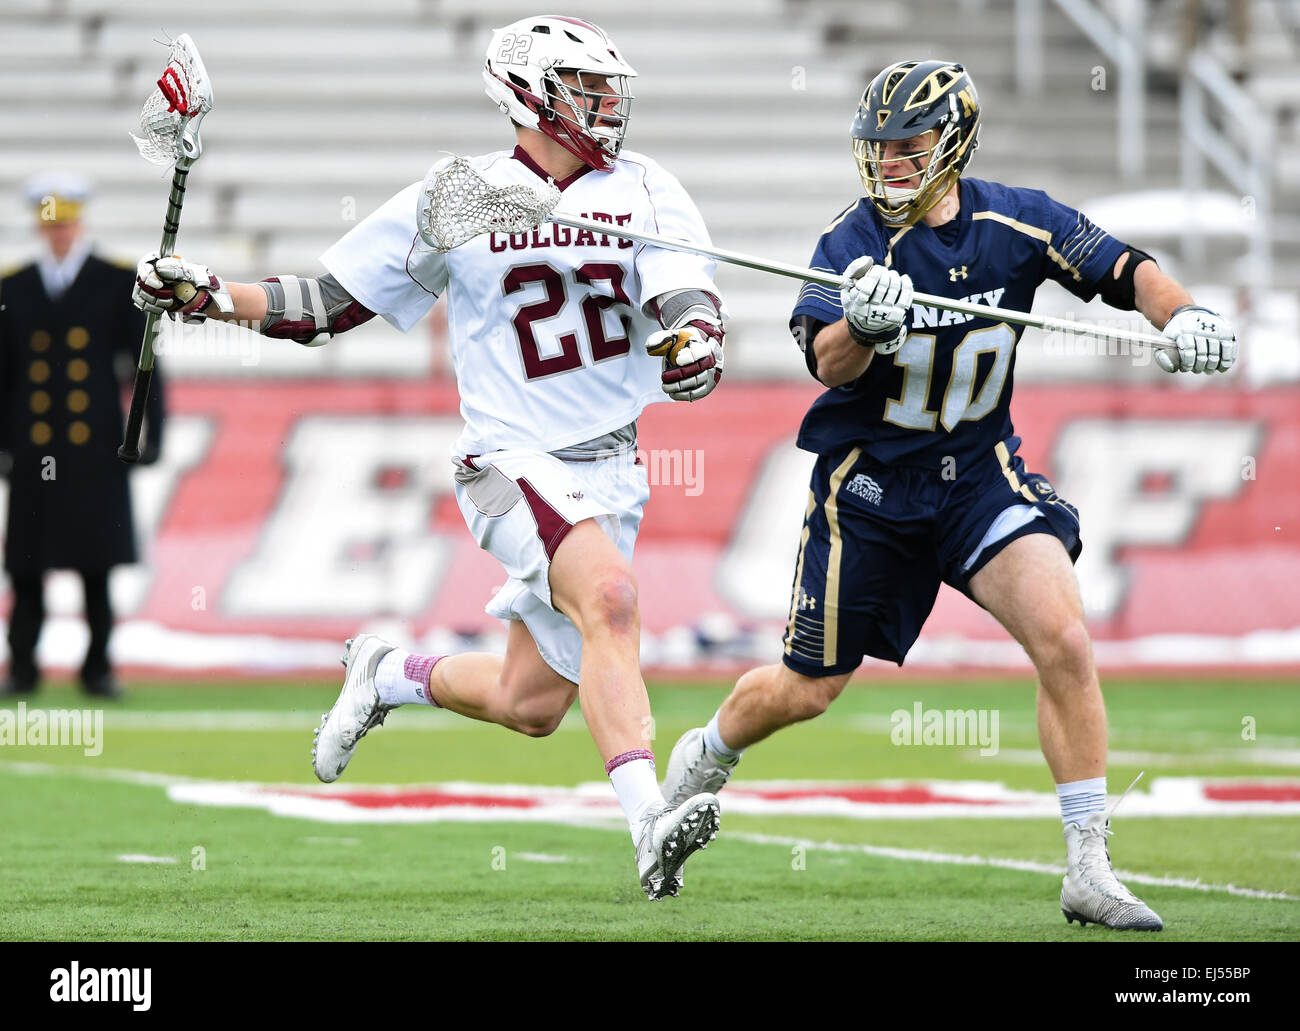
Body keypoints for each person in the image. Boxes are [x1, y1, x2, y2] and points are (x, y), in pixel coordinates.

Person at [132, 15, 726, 901]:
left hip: (609, 467)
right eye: (584, 86)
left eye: (608, 88)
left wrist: (691, 342)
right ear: (530, 94)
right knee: (612, 598)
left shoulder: (646, 190)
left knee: (532, 704)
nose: (607, 104)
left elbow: (688, 303)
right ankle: (648, 822)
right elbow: (328, 303)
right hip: (506, 457)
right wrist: (213, 293)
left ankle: (387, 674)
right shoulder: (457, 195)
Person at [660, 60, 1237, 931]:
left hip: (976, 477)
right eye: (880, 145)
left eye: (910, 143)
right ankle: (704, 755)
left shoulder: (1014, 219)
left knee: (1065, 638)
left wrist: (1182, 315)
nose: (890, 160)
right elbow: (825, 359)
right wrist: (865, 321)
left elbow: (1124, 268)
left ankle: (1088, 863)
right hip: (871, 493)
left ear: (954, 141)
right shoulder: (849, 242)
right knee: (807, 688)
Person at [1, 174, 164, 698]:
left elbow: (143, 366)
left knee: (96, 566)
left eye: (67, 224)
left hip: (94, 448)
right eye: (52, 226)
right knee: (27, 568)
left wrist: (145, 433)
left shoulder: (116, 283)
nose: (60, 235)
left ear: (79, 223)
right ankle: (23, 667)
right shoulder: (14, 287)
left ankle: (98, 669)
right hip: (33, 448)